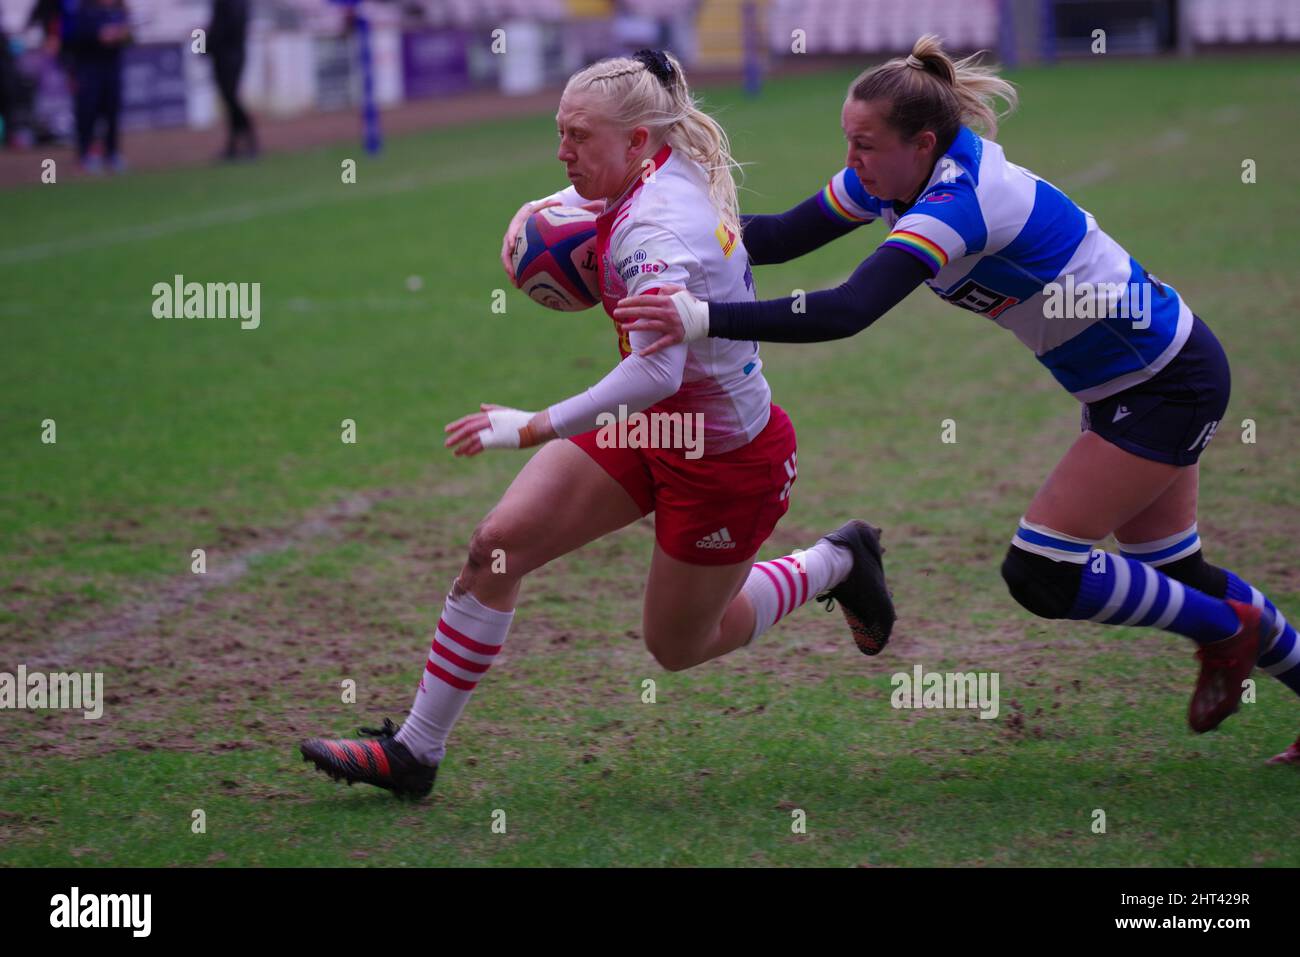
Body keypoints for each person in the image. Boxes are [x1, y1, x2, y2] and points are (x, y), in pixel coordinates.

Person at [613, 35, 1299, 766]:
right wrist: (650, 237)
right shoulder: (890, 177)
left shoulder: (961, 198)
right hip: (1135, 384)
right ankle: (1231, 628)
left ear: (924, 143)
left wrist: (703, 316)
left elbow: (849, 309)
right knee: (1177, 575)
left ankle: (1224, 632)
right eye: (847, 141)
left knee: (1042, 571)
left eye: (865, 144)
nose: (852, 160)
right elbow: (776, 238)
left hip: (1165, 383)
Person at [299, 50, 895, 799]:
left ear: (639, 142)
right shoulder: (649, 167)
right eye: (560, 131)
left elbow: (657, 372)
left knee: (677, 644)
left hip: (723, 457)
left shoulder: (659, 227)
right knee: (497, 547)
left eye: (579, 136)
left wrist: (533, 424)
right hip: (644, 428)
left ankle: (836, 562)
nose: (561, 152)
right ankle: (416, 750)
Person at [65, 0, 129, 173]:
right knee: (88, 113)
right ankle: (86, 154)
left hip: (112, 70)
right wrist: (97, 36)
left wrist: (123, 35)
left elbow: (130, 37)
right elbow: (72, 38)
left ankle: (112, 153)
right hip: (88, 71)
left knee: (112, 113)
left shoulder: (119, 11)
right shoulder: (83, 11)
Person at [208, 0, 256, 161]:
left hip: (228, 55)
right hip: (231, 54)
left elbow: (221, 27)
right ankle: (234, 145)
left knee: (231, 99)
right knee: (230, 100)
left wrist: (207, 46)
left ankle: (249, 140)